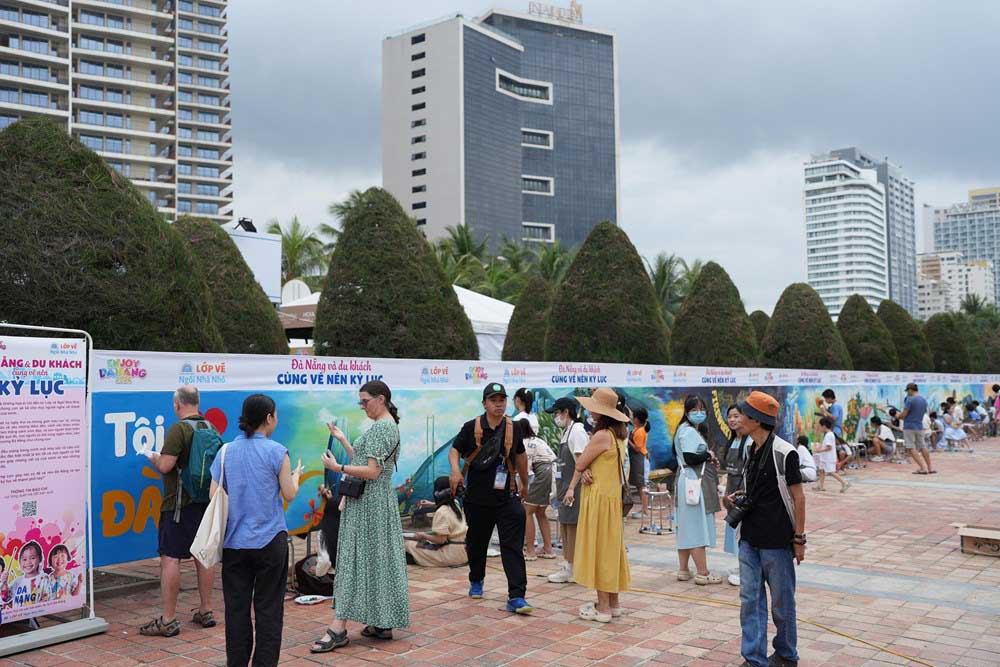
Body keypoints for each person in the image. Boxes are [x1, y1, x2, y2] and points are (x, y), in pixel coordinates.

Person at [312, 381, 410, 651]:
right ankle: (381, 622)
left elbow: (372, 472)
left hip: (369, 503)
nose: (363, 406)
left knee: (355, 560)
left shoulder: (382, 428)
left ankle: (338, 627)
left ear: (381, 399)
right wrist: (343, 440)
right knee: (375, 560)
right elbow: (367, 463)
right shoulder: (387, 427)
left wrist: (337, 466)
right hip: (376, 503)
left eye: (365, 401)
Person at [212, 394, 300, 667]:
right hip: (270, 542)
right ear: (269, 418)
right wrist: (295, 476)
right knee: (269, 610)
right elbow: (289, 493)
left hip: (234, 544)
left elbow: (214, 494)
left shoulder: (225, 452)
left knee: (236, 611)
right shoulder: (277, 451)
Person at [727, 391, 806, 667]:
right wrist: (740, 496)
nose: (738, 419)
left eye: (744, 415)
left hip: (777, 541)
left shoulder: (785, 453)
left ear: (757, 420)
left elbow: (798, 498)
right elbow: (756, 488)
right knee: (751, 600)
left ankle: (786, 654)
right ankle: (754, 658)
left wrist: (799, 538)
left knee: (782, 605)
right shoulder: (750, 448)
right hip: (749, 538)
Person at [448, 383, 533, 614]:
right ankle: (476, 580)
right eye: (493, 400)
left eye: (502, 399)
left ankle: (517, 596)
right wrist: (455, 471)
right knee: (476, 543)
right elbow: (455, 450)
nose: (498, 403)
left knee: (512, 546)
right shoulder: (471, 428)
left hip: (507, 497)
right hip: (477, 499)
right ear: (484, 403)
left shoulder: (513, 428)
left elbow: (520, 456)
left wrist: (525, 483)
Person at [141, 385, 217, 637]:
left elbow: (165, 466)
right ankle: (206, 610)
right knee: (202, 556)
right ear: (197, 402)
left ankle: (169, 619)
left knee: (170, 558)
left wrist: (152, 456)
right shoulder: (210, 427)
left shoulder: (178, 429)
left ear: (177, 405)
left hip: (178, 505)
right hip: (204, 504)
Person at [563, 388, 631, 623]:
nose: (590, 410)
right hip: (611, 500)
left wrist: (573, 485)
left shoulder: (602, 435)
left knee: (600, 551)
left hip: (599, 500)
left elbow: (581, 463)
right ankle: (613, 603)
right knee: (611, 551)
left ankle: (602, 608)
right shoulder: (619, 435)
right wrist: (587, 470)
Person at [673, 395, 722, 585]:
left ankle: (684, 569)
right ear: (687, 412)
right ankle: (703, 572)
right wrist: (707, 455)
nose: (699, 413)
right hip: (692, 481)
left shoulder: (684, 430)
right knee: (695, 525)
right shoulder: (688, 432)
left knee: (685, 525)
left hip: (686, 480)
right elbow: (690, 457)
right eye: (695, 410)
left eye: (702, 409)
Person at [545, 396, 589, 584]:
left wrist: (571, 489)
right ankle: (569, 564)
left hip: (574, 489)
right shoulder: (567, 432)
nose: (556, 417)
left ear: (566, 412)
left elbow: (581, 463)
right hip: (565, 487)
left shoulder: (577, 431)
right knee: (565, 526)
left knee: (572, 528)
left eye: (557, 413)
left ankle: (572, 568)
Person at [405, 476, 469, 568]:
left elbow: (441, 540)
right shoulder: (455, 503)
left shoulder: (441, 512)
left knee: (409, 545)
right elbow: (446, 504)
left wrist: (422, 535)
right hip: (465, 553)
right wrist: (430, 504)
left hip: (451, 555)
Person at [521, 417, 557, 560]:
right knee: (541, 512)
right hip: (554, 473)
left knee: (528, 510)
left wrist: (522, 489)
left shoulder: (525, 443)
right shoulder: (539, 440)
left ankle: (530, 551)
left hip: (543, 473)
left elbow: (526, 470)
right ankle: (548, 549)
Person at [723, 405, 750, 586]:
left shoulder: (748, 443)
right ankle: (742, 566)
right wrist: (726, 494)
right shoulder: (732, 441)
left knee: (744, 532)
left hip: (743, 494)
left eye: (736, 416)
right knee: (736, 531)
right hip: (732, 492)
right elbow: (730, 472)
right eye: (730, 416)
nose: (732, 420)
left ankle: (745, 571)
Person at [899, 383, 934, 474]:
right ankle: (930, 467)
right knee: (922, 446)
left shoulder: (910, 400)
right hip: (919, 426)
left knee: (911, 447)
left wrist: (898, 416)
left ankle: (922, 468)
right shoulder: (923, 400)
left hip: (909, 426)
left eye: (907, 391)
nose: (907, 393)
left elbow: (904, 414)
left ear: (910, 390)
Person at [627, 407, 650, 522]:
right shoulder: (637, 428)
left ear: (637, 419)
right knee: (639, 485)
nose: (632, 418)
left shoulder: (640, 432)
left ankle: (645, 510)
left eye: (634, 417)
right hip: (636, 459)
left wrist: (627, 439)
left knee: (641, 486)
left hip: (639, 458)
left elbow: (637, 448)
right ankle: (643, 509)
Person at [8, 542, 48, 608]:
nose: (28, 562)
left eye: (32, 558)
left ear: (40, 559)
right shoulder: (17, 581)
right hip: (18, 617)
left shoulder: (44, 578)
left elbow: (47, 599)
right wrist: (4, 583)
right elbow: (6, 598)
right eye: (24, 559)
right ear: (20, 561)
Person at [813, 418, 848, 492]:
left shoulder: (829, 435)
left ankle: (844, 482)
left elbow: (829, 447)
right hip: (825, 457)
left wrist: (819, 450)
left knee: (831, 472)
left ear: (824, 426)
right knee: (821, 470)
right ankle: (820, 486)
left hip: (828, 458)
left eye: (820, 426)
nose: (819, 428)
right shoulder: (829, 434)